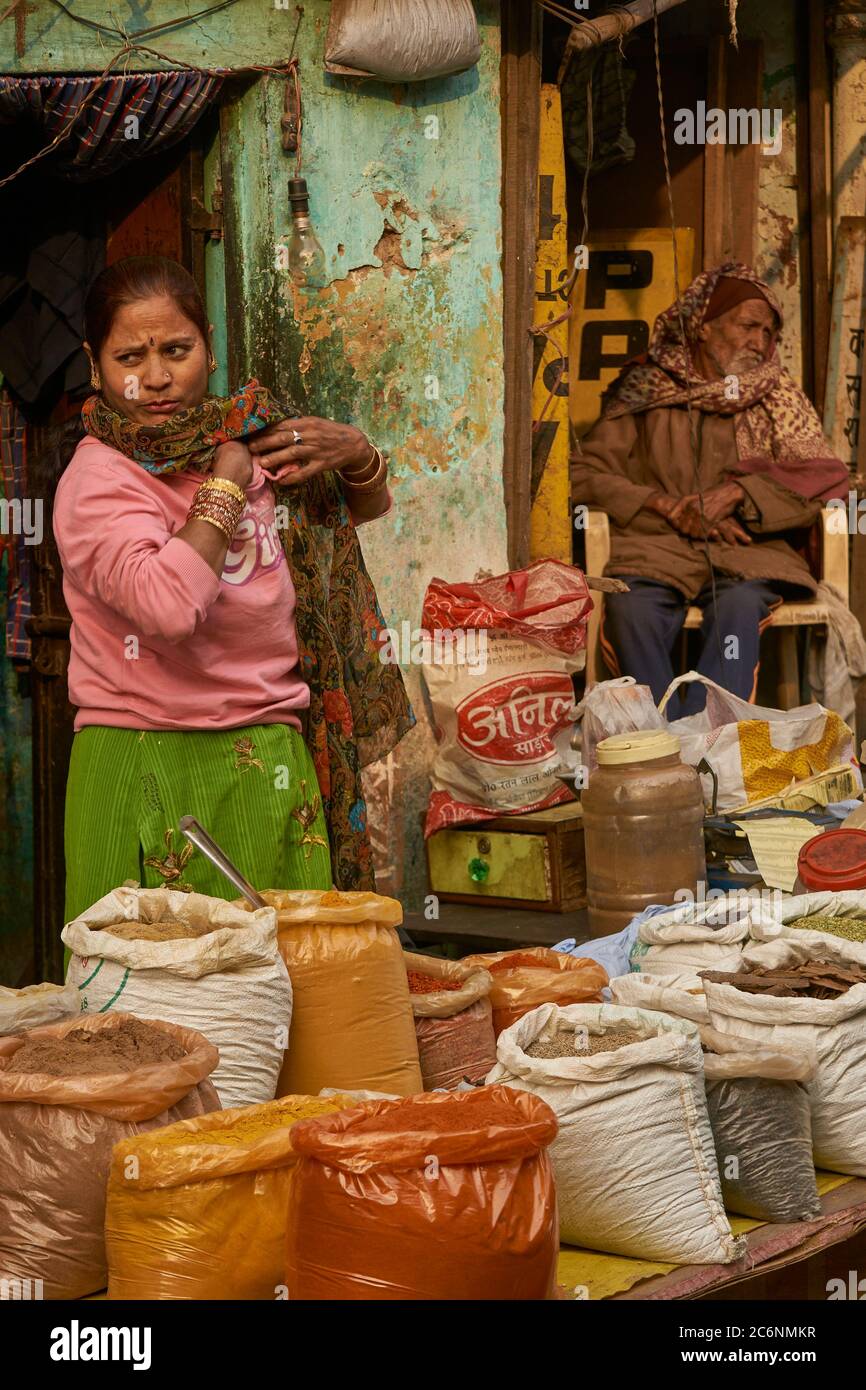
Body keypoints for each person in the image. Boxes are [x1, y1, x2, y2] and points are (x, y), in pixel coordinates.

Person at [54, 255, 414, 929]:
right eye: (130, 355)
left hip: (271, 756)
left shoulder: (243, 432)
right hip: (148, 757)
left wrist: (358, 453)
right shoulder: (99, 479)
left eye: (177, 350)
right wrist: (224, 481)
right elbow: (167, 608)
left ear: (210, 349)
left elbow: (336, 524)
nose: (156, 377)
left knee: (279, 987)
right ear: (94, 364)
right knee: (165, 1001)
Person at [571, 262, 849, 716]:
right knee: (631, 612)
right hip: (656, 548)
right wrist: (665, 506)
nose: (759, 342)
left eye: (767, 331)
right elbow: (583, 474)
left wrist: (740, 495)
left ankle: (710, 740)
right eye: (748, 326)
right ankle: (662, 741)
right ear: (702, 326)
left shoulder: (778, 396)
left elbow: (824, 477)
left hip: (746, 552)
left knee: (738, 611)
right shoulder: (646, 389)